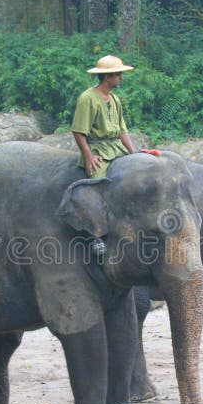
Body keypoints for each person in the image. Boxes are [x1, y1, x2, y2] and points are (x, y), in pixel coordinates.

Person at [71, 55, 136, 257]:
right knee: (99, 185)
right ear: (106, 77)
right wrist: (89, 156)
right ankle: (95, 234)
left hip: (116, 148)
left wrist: (133, 153)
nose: (120, 77)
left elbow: (122, 130)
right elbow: (78, 131)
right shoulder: (87, 98)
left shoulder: (115, 99)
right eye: (117, 74)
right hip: (98, 150)